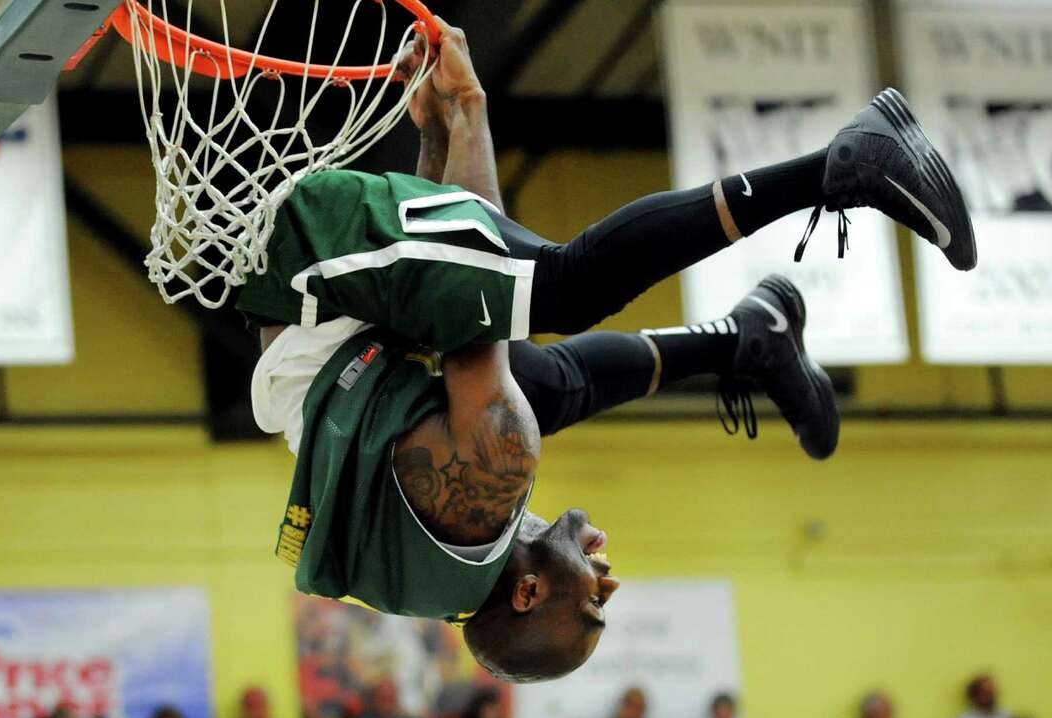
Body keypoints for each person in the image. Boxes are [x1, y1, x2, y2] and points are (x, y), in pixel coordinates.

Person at [242, 17, 977, 682]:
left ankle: (842, 167)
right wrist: (456, 123)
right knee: (538, 383)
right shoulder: (445, 571)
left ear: (528, 593)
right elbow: (464, 288)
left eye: (592, 608)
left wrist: (466, 125)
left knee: (567, 288)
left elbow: (483, 297)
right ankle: (744, 339)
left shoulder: (484, 486)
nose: (608, 586)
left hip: (309, 272)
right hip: (347, 323)